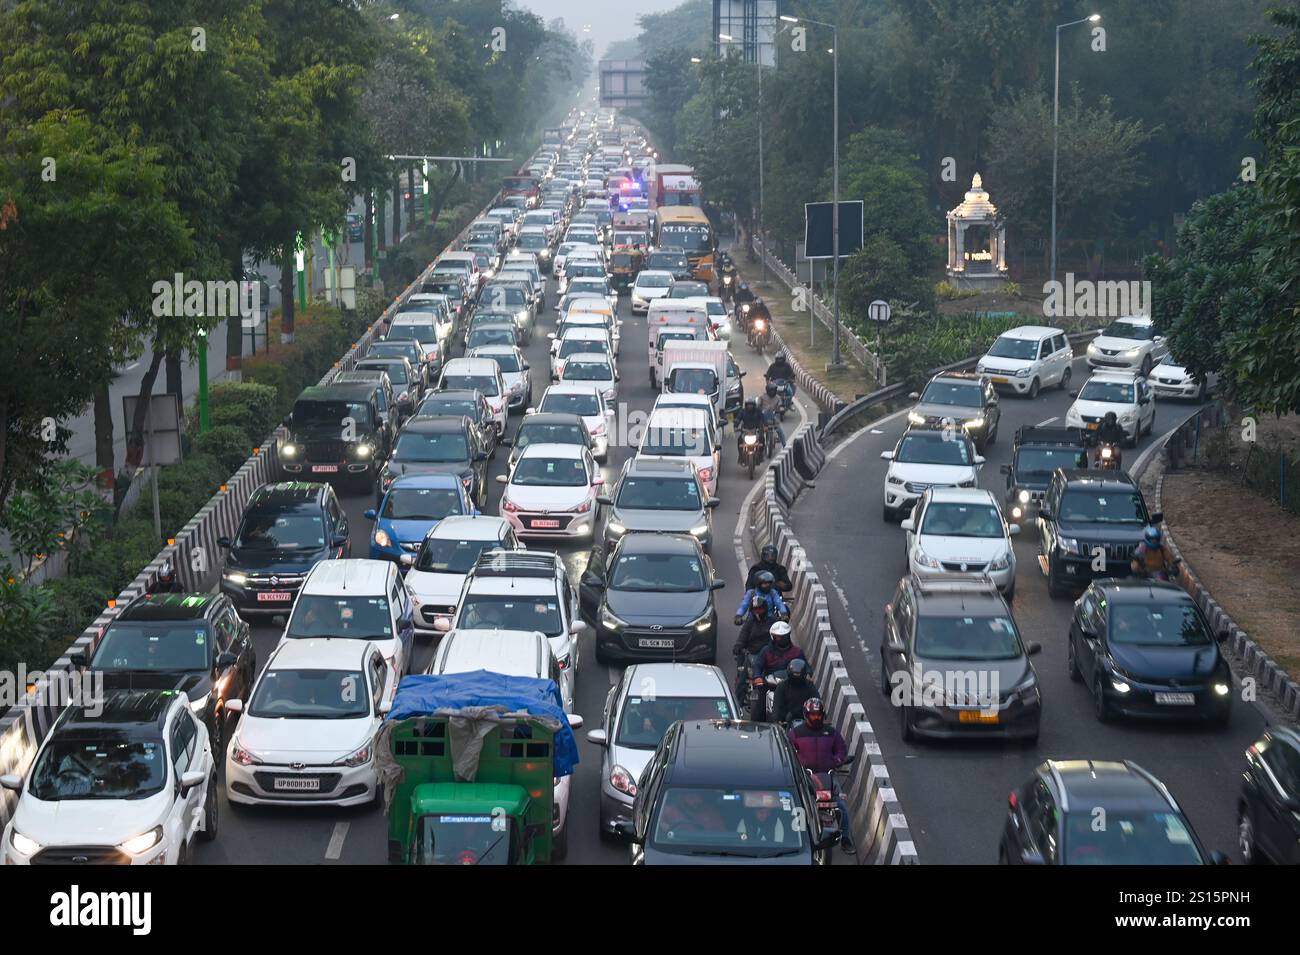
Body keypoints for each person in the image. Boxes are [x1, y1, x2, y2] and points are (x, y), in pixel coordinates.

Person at [787, 699, 855, 854]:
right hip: (805, 779)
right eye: (813, 715)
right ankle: (793, 838)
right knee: (795, 805)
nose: (816, 717)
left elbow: (841, 750)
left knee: (842, 807)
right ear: (806, 715)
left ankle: (845, 839)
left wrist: (837, 761)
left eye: (818, 715)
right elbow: (788, 751)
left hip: (828, 778)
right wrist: (797, 765)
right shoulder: (796, 733)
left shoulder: (831, 733)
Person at [732, 596, 775, 697]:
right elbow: (743, 635)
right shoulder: (749, 623)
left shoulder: (773, 621)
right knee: (741, 680)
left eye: (760, 609)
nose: (758, 612)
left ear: (765, 609)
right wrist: (738, 645)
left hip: (769, 655)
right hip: (753, 654)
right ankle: (738, 706)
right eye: (755, 609)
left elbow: (780, 636)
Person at [771, 658, 818, 725]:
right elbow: (777, 706)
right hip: (786, 722)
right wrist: (777, 721)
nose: (796, 681)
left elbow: (816, 701)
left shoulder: (809, 686)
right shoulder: (782, 686)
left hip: (806, 722)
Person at [736, 398, 766, 462]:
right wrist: (735, 426)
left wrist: (765, 426)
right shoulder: (742, 411)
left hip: (756, 430)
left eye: (751, 405)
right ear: (746, 405)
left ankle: (760, 455)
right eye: (748, 405)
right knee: (739, 440)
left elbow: (763, 419)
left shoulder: (758, 411)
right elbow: (738, 419)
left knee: (762, 439)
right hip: (745, 430)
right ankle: (740, 456)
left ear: (754, 405)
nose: (750, 406)